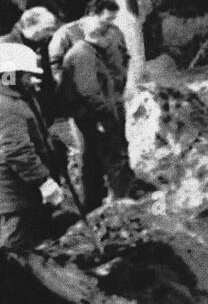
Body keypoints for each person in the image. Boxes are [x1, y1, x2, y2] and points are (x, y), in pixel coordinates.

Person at [0, 43, 66, 250]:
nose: (33, 80)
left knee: (18, 228)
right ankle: (12, 277)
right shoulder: (0, 105)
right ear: (12, 73)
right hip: (11, 186)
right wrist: (44, 182)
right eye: (28, 75)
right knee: (17, 241)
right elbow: (17, 152)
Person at [58, 22, 148, 210]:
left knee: (92, 156)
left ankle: (94, 199)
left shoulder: (87, 51)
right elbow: (90, 92)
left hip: (88, 114)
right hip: (93, 114)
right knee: (111, 150)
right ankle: (121, 194)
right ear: (98, 36)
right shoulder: (84, 55)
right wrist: (106, 115)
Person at [0, 7, 59, 116]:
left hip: (25, 102)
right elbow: (7, 81)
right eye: (46, 31)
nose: (49, 35)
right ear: (35, 31)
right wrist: (26, 81)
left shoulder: (31, 43)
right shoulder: (7, 46)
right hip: (7, 108)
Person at [49, 0, 129, 86]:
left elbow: (124, 57)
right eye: (106, 20)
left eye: (112, 19)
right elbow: (55, 65)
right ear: (91, 14)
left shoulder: (114, 32)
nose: (109, 24)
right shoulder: (65, 34)